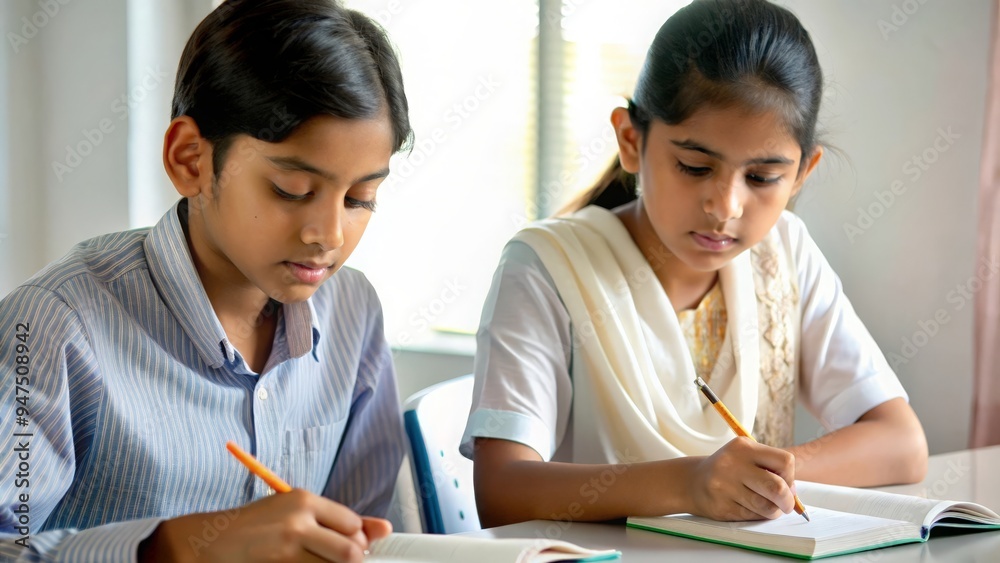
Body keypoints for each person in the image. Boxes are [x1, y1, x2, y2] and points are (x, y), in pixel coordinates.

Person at [461, 0, 928, 528]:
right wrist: (691, 483)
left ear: (802, 173)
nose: (725, 206)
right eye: (694, 166)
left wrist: (760, 477)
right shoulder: (547, 266)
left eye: (762, 178)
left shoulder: (785, 253)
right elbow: (501, 492)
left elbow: (901, 442)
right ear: (631, 141)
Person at [0, 0, 411, 561]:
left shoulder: (353, 312)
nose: (329, 234)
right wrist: (173, 547)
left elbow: (368, 536)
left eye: (361, 198)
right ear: (190, 159)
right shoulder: (52, 327)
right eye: (291, 189)